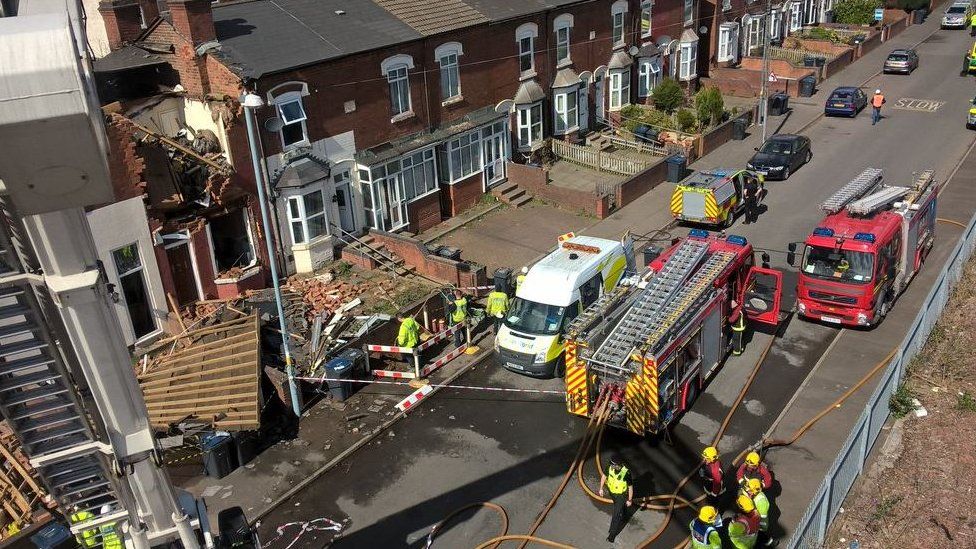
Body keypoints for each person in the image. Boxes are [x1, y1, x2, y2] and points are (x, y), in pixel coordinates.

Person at [598, 458, 634, 543]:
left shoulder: (626, 473)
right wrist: (601, 488)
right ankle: (625, 515)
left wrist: (629, 500)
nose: (611, 466)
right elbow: (604, 476)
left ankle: (612, 535)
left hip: (621, 496)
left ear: (618, 465)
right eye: (610, 463)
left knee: (616, 515)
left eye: (613, 464)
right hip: (612, 493)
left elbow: (630, 487)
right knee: (620, 508)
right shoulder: (609, 467)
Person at [742, 478, 775, 546]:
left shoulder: (761, 502)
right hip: (756, 519)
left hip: (760, 523)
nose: (748, 491)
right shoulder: (756, 495)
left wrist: (760, 527)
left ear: (755, 491)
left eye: (749, 490)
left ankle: (769, 542)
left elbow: (763, 519)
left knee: (760, 534)